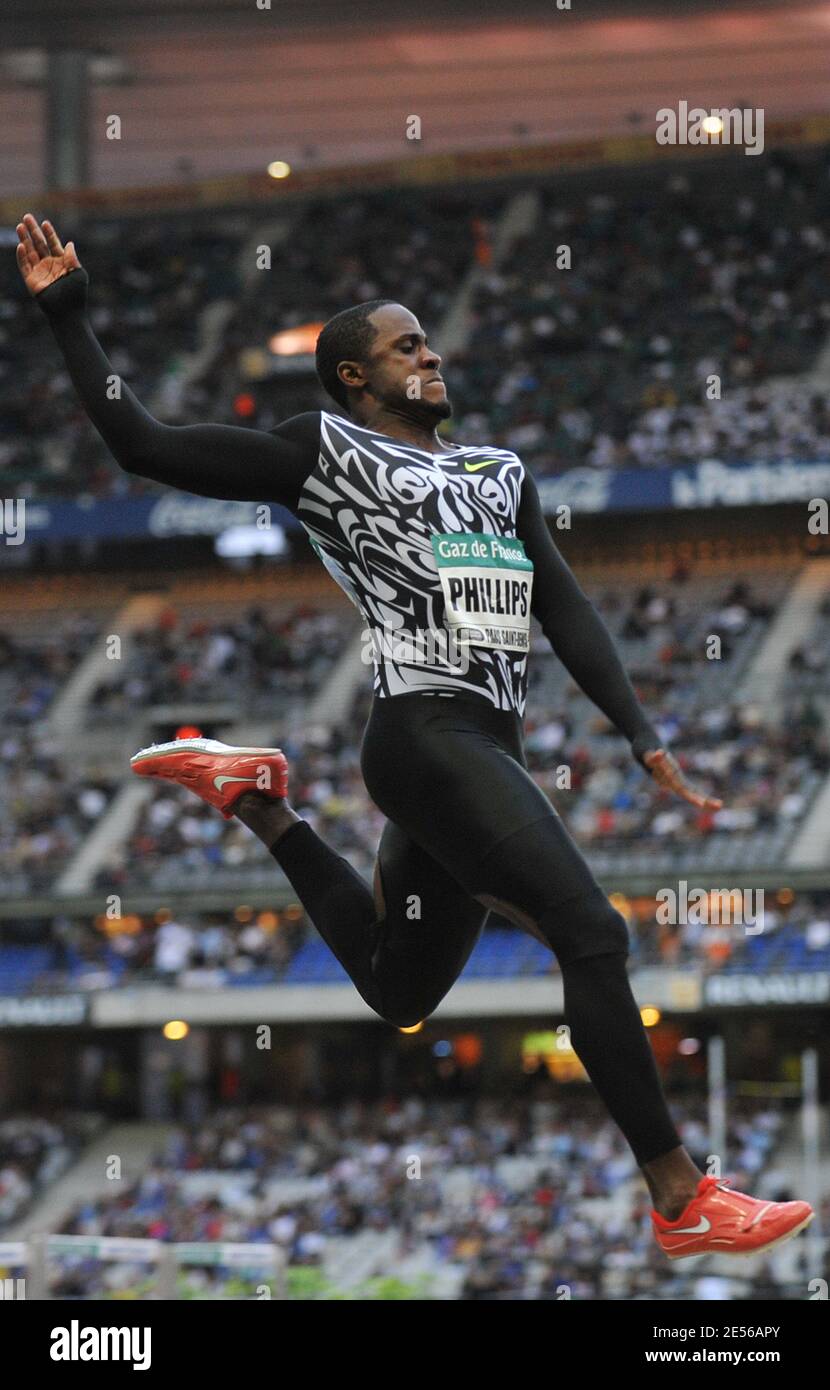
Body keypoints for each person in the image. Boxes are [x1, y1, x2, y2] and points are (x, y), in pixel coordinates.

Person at [18, 212, 813, 1258]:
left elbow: (563, 607)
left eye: (429, 340)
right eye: (405, 345)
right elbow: (145, 445)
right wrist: (70, 317)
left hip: (485, 746)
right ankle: (679, 1194)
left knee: (399, 989)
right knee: (592, 934)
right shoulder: (324, 451)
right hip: (422, 735)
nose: (430, 353)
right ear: (352, 375)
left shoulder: (498, 474)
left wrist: (637, 732)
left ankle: (256, 801)